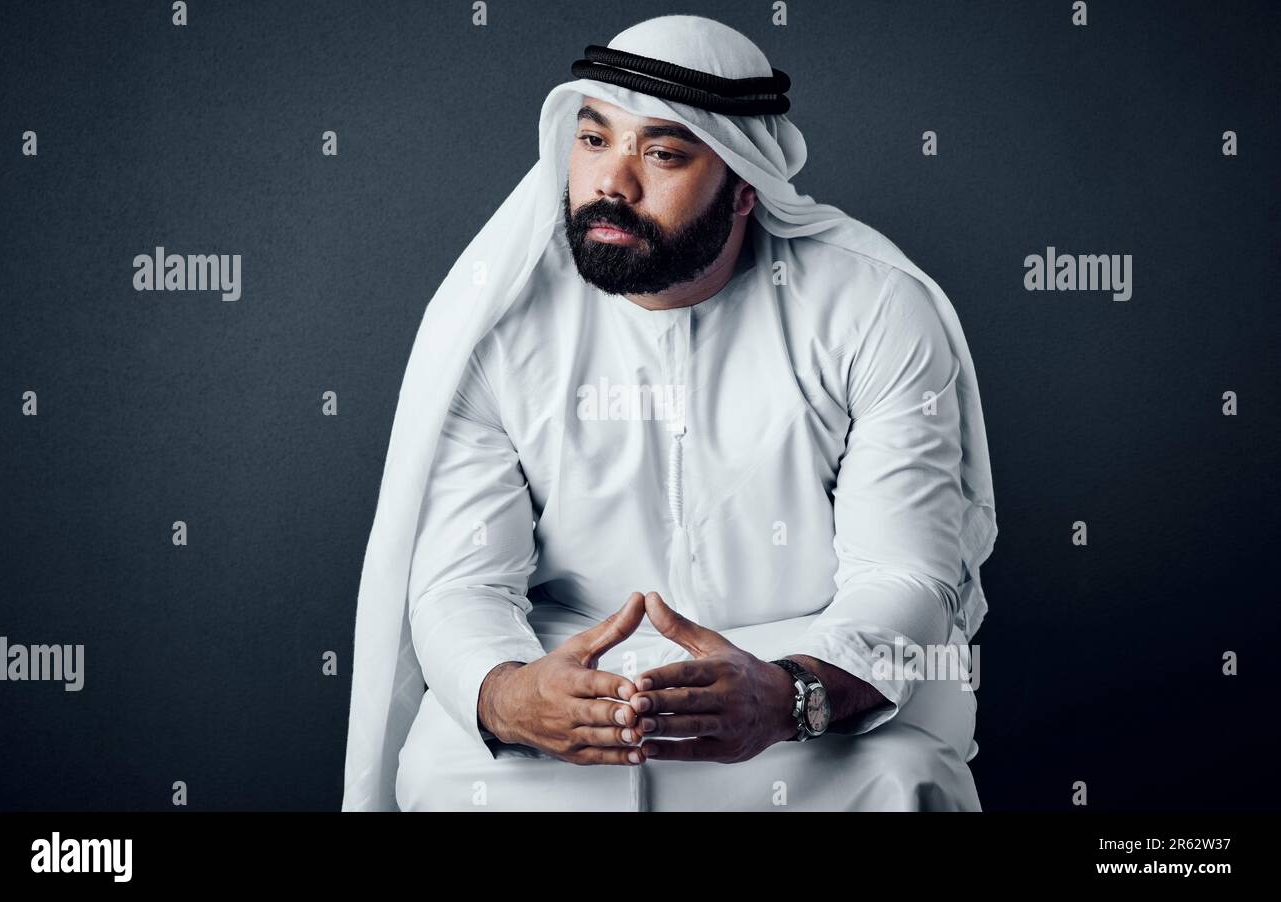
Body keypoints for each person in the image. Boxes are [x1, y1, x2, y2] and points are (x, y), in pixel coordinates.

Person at [343, 14, 998, 812]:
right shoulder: (503, 324)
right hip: (568, 671)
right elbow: (461, 585)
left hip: (801, 674)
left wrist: (788, 695)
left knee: (903, 783)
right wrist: (511, 695)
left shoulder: (874, 309)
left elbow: (904, 573)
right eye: (594, 141)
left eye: (661, 153)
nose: (612, 183)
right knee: (448, 778)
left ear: (745, 186)